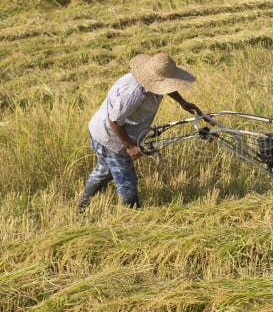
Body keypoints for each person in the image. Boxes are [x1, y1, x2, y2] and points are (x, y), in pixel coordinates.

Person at [77, 53, 202, 212]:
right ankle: (131, 217)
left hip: (105, 130)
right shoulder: (134, 93)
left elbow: (166, 86)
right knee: (127, 182)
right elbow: (114, 120)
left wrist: (182, 102)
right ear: (156, 80)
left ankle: (82, 206)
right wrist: (129, 146)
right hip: (110, 136)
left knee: (104, 171)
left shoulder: (151, 82)